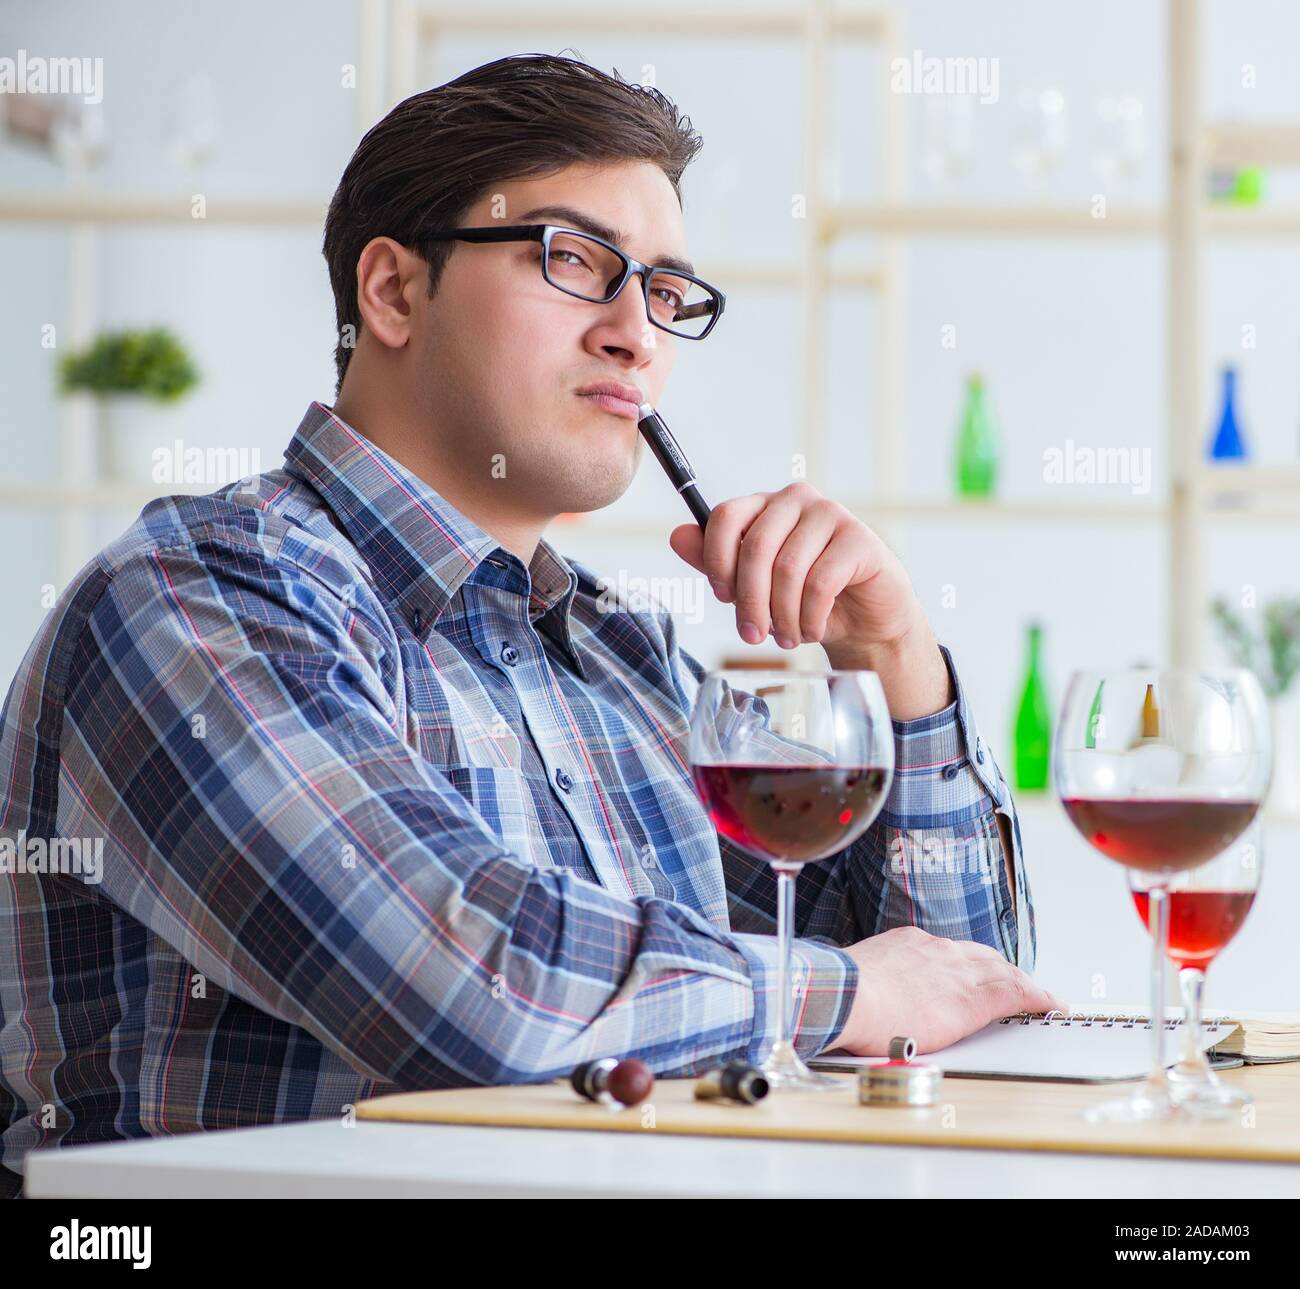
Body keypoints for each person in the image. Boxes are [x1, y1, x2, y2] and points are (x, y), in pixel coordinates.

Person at [0, 52, 1064, 1197]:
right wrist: (848, 991)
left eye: (665, 290)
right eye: (574, 260)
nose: (636, 333)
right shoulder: (201, 595)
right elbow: (468, 981)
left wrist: (894, 661)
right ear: (393, 292)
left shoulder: (616, 653)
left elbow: (963, 987)